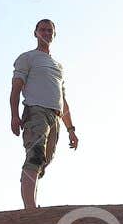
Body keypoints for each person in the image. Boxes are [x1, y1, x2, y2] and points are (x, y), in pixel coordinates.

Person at [9, 18, 77, 209]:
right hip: (35, 111)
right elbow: (16, 88)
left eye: (49, 30)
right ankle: (30, 208)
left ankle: (32, 205)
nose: (46, 33)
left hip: (55, 116)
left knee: (44, 161)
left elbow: (62, 99)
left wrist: (71, 129)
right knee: (35, 155)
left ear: (54, 35)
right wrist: (14, 115)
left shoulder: (58, 66)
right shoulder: (28, 58)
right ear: (35, 33)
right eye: (42, 30)